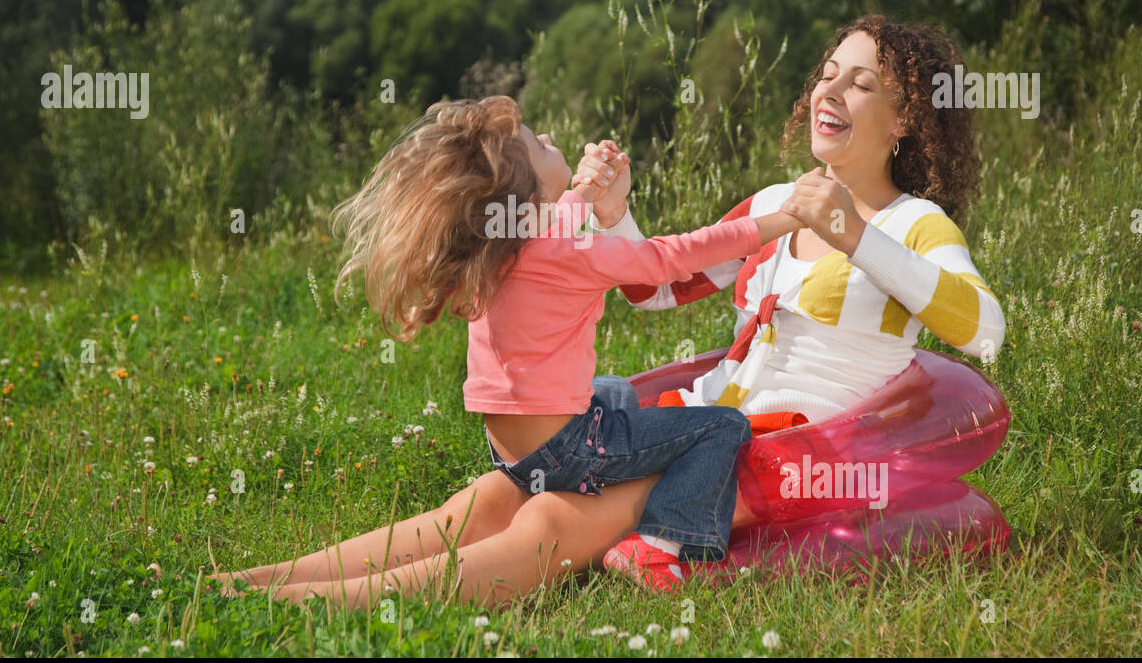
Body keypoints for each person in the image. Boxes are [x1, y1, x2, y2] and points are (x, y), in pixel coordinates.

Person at [215, 14, 1005, 608]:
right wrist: (618, 211)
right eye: (827, 72)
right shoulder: (776, 203)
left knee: (556, 516)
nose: (829, 91)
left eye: (860, 82)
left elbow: (983, 329)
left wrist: (855, 232)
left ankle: (305, 609)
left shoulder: (913, 225)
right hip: (709, 423)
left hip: (792, 453)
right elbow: (654, 287)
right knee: (491, 498)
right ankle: (255, 582)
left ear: (906, 119)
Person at [217, 94, 805, 605]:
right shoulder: (566, 249)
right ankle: (666, 545)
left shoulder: (509, 237)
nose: (549, 137)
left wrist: (586, 189)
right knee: (722, 426)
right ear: (527, 190)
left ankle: (254, 580)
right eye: (537, 142)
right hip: (567, 448)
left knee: (617, 391)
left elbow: (562, 223)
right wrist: (780, 219)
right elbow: (667, 258)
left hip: (512, 450)